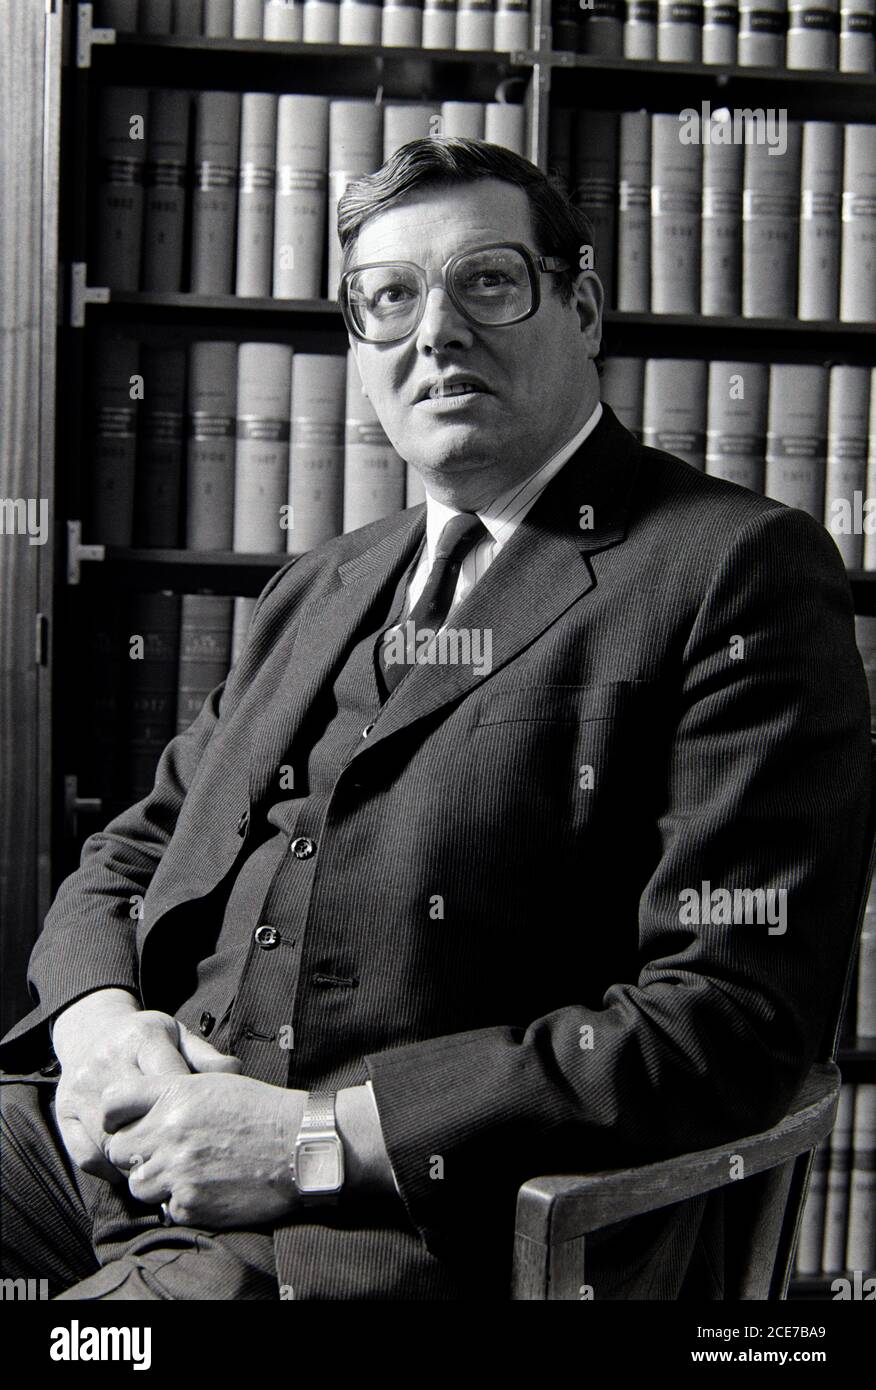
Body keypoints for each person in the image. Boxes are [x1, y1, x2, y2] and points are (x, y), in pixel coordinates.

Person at [0, 137, 870, 1301]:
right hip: (119, 1154)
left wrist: (310, 1143)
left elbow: (727, 1017)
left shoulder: (735, 567)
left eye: (489, 283)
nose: (437, 332)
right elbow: (133, 851)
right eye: (390, 297)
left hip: (376, 1230)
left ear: (585, 305)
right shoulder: (320, 583)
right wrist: (100, 1027)